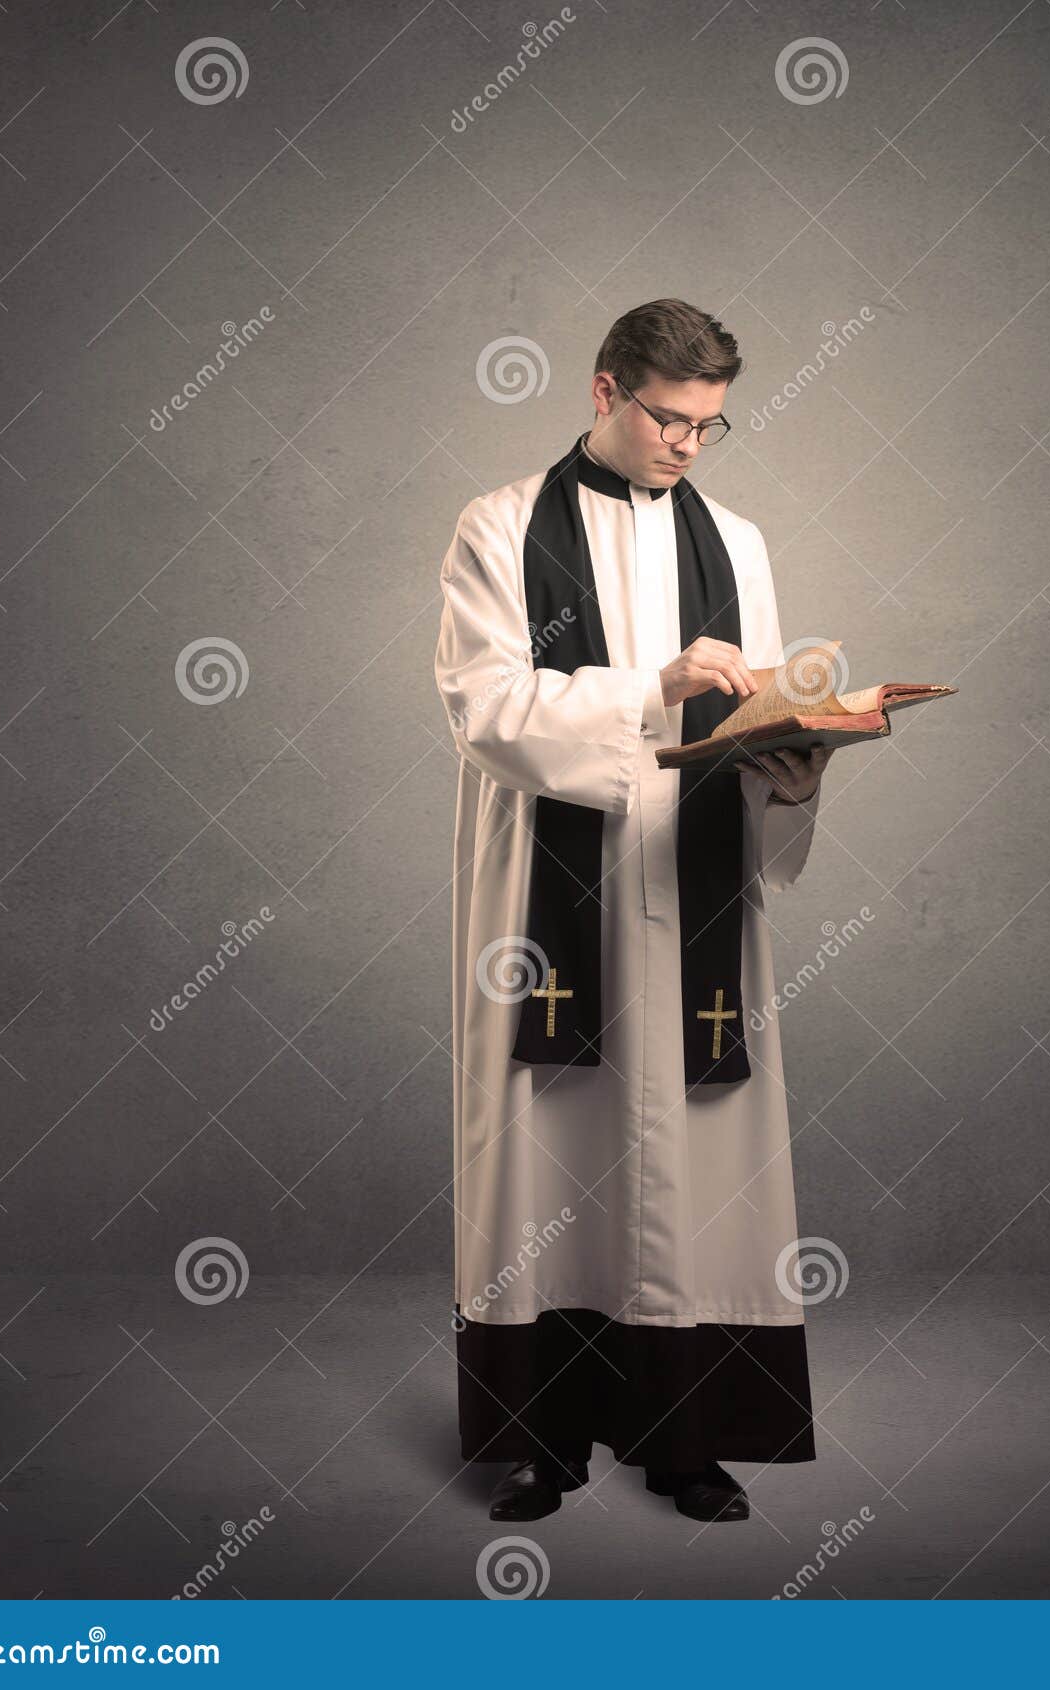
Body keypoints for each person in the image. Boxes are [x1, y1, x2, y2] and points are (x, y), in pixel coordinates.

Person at [434, 298, 831, 1524]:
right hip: (552, 897)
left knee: (698, 1162)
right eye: (669, 419)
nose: (687, 446)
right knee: (545, 1150)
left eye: (710, 427)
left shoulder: (737, 544)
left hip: (693, 888)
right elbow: (484, 708)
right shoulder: (502, 525)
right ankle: (537, 1438)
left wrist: (790, 766)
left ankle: (687, 1437)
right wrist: (648, 690)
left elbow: (754, 709)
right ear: (605, 391)